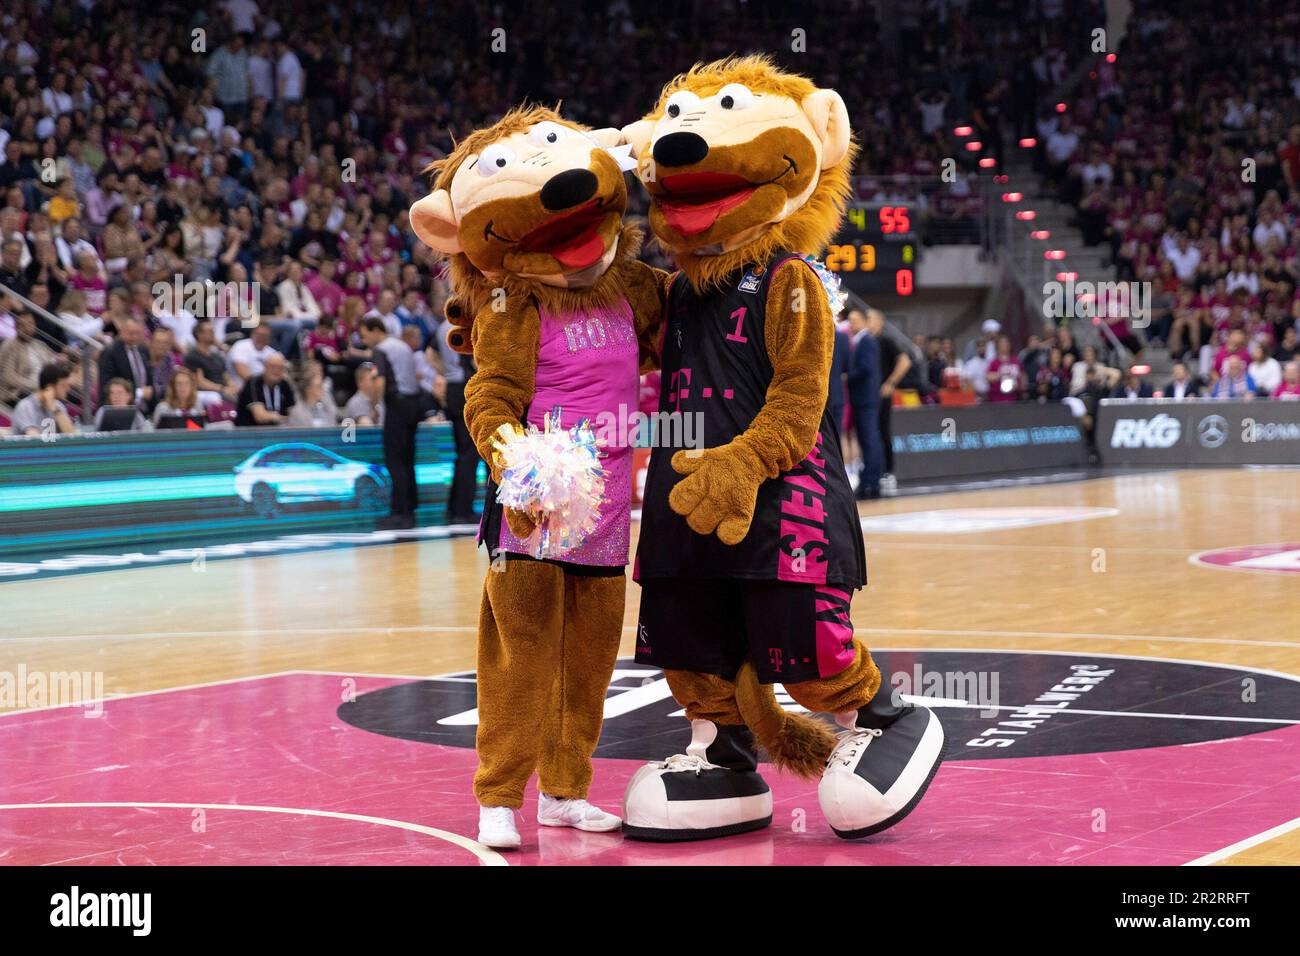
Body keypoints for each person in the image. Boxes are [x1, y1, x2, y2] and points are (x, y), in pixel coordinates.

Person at [359, 315, 421, 529]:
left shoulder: (381, 350)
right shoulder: (402, 346)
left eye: (365, 336)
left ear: (376, 330)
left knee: (395, 461)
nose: (364, 341)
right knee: (408, 459)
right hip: (414, 404)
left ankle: (399, 512)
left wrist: (375, 407)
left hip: (396, 406)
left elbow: (380, 381)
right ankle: (410, 509)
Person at [846, 307, 883, 500]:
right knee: (866, 440)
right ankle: (869, 480)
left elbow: (866, 368)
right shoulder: (859, 340)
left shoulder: (866, 340)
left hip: (866, 398)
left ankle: (872, 482)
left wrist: (846, 377)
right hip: (863, 398)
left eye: (854, 320)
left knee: (869, 440)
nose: (850, 324)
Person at [870, 307, 908, 493]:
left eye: (870, 318)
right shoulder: (863, 341)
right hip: (867, 395)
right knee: (870, 433)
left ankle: (889, 472)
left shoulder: (885, 341)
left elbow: (905, 360)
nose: (867, 322)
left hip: (882, 394)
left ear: (879, 322)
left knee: (883, 431)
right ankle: (873, 470)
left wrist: (891, 382)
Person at [11, 360, 75, 437]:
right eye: (64, 386)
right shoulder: (26, 407)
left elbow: (71, 435)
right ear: (49, 388)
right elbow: (35, 441)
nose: (68, 389)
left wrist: (55, 411)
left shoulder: (58, 406)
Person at [234, 350, 295, 425]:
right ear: (264, 366)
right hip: (251, 432)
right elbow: (260, 417)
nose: (276, 370)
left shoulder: (284, 384)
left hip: (278, 432)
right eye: (272, 366)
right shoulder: (254, 382)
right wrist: (286, 419)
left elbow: (295, 412)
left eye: (280, 368)